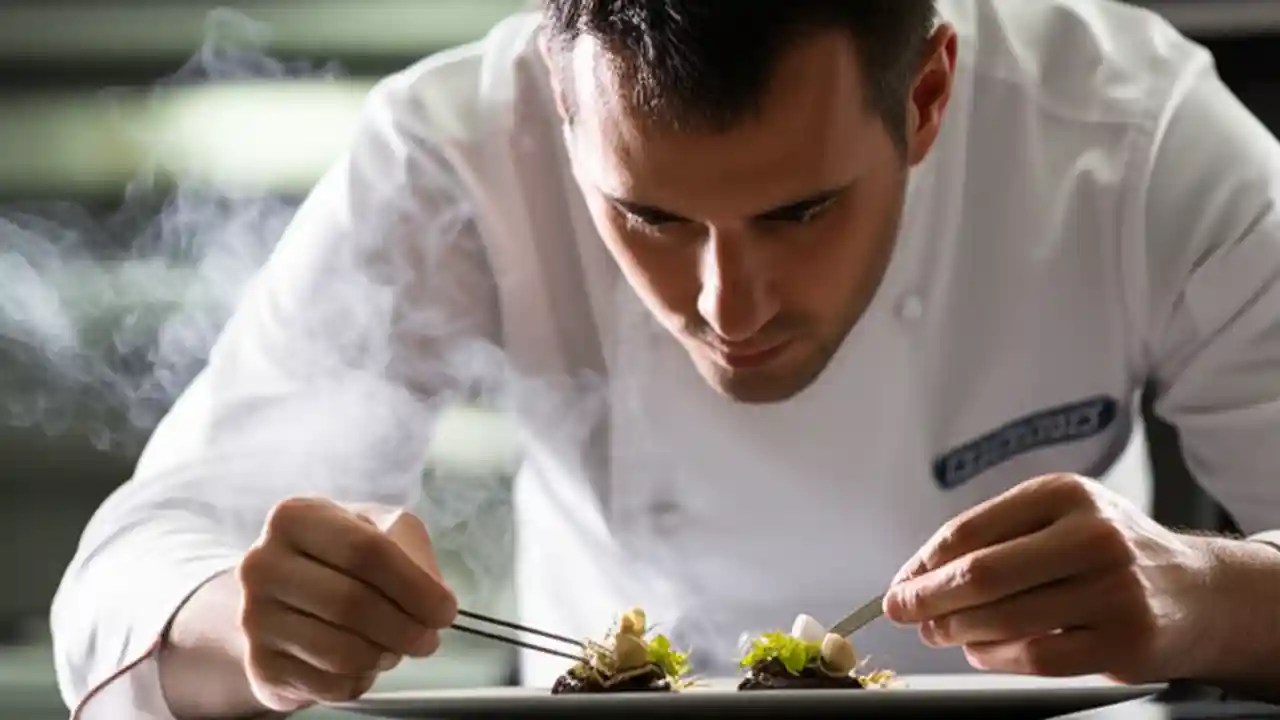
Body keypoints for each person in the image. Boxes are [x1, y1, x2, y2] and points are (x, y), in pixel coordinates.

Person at [51, 0, 1280, 717]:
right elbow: (128, 574)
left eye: (799, 212)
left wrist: (1210, 599)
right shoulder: (451, 153)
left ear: (925, 96)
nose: (725, 305)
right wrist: (247, 620)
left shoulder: (1134, 142)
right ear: (558, 97)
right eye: (649, 218)